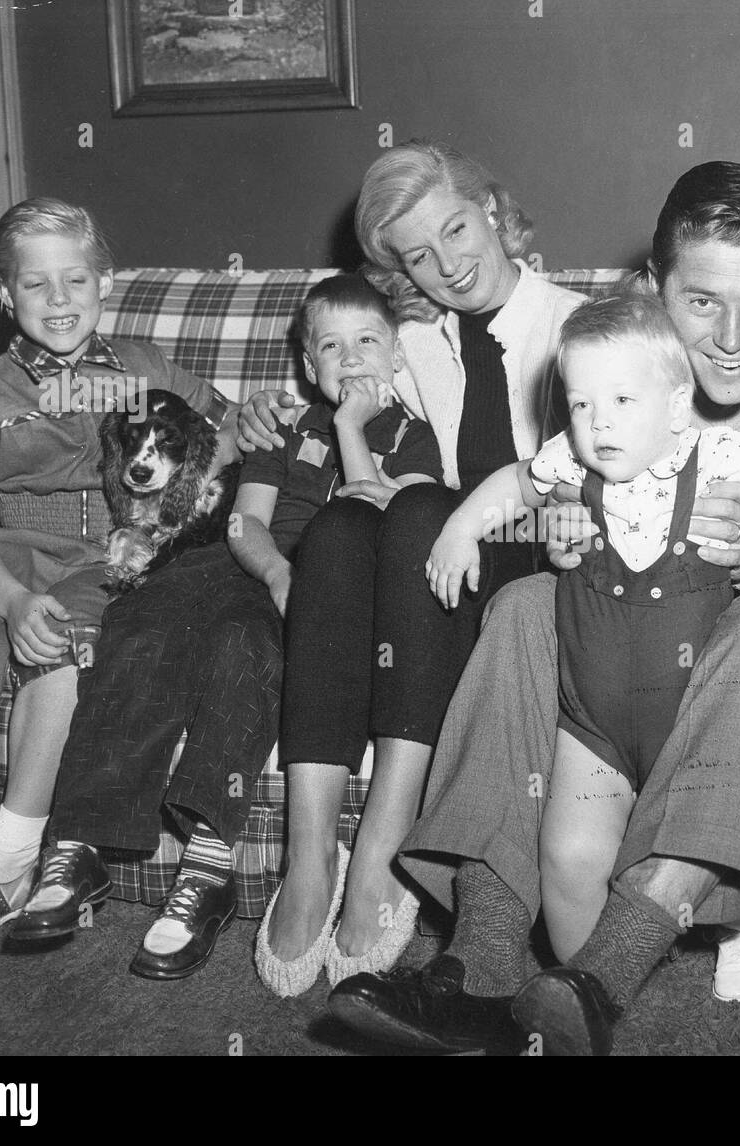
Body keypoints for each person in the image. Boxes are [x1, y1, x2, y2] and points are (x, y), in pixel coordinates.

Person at [325, 162, 740, 1054]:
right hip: (617, 652)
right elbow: (549, 488)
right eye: (701, 303)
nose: (734, 337)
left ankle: (618, 957)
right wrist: (565, 532)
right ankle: (476, 967)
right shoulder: (609, 359)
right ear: (654, 291)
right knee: (521, 607)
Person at [6, 274, 439, 980]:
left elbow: (377, 515)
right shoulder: (286, 429)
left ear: (398, 355)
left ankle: (206, 867)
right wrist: (274, 573)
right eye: (332, 347)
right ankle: (78, 839)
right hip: (254, 567)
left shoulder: (413, 438)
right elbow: (247, 521)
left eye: (369, 343)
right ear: (307, 365)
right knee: (144, 618)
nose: (352, 359)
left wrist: (352, 428)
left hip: (336, 600)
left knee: (247, 648)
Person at [243, 141, 585, 996]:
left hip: (540, 564)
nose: (447, 266)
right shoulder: (413, 341)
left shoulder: (580, 327)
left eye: (457, 231)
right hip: (421, 567)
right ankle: (312, 853)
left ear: (497, 214)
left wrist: (464, 514)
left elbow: (608, 493)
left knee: (425, 508)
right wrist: (244, 416)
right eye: (417, 256)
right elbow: (331, 390)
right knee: (337, 529)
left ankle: (384, 853)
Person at [427, 291, 740, 960]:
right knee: (567, 859)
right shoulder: (570, 462)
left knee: (693, 830)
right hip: (593, 726)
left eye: (623, 401)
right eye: (582, 403)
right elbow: (516, 482)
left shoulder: (714, 459)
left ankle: (700, 931)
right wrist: (460, 527)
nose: (598, 424)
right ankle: (580, 1001)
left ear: (676, 405)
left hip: (693, 721)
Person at [0, 198, 235, 954]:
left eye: (74, 280)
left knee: (62, 642)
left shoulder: (145, 367)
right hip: (5, 549)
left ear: (103, 282)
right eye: (35, 285)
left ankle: (8, 862)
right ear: (6, 295)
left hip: (110, 554)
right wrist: (9, 599)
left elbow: (224, 428)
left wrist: (198, 497)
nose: (58, 301)